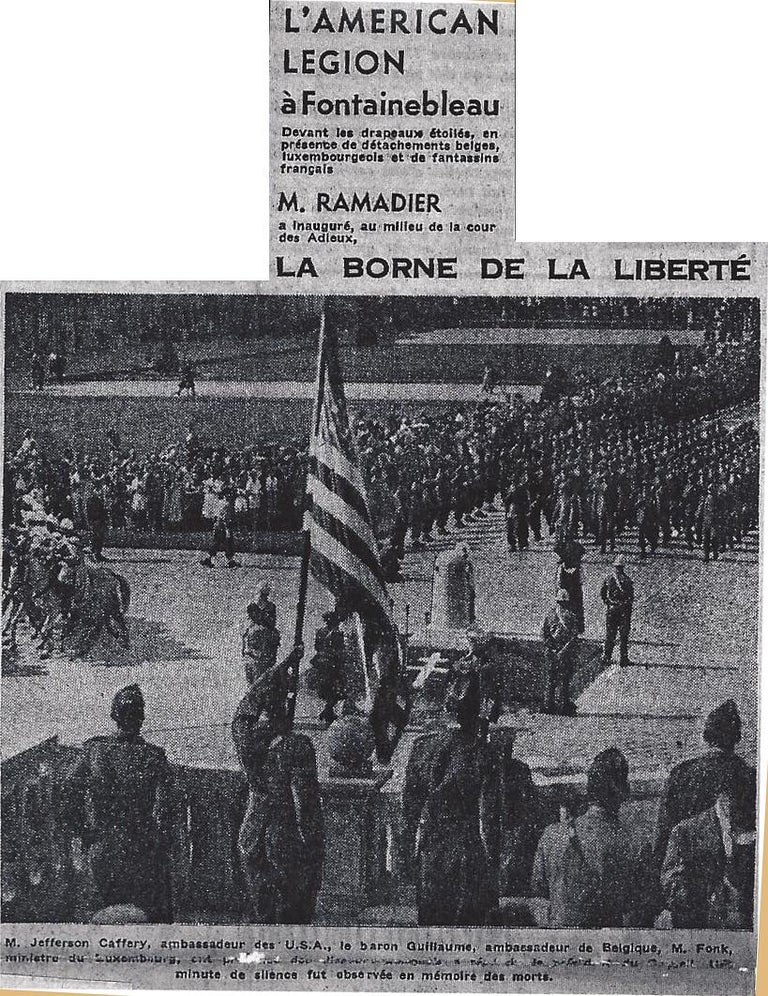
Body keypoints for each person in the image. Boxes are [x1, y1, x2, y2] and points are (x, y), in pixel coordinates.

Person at [61, 684, 174, 922]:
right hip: (143, 848)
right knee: (152, 920)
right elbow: (166, 810)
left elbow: (67, 790)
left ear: (114, 716)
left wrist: (83, 831)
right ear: (142, 718)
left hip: (104, 847)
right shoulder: (154, 756)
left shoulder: (94, 750)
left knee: (100, 916)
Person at [231, 643, 325, 924]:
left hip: (256, 830)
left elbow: (245, 709)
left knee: (262, 913)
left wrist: (282, 665)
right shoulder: (299, 746)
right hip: (289, 836)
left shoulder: (250, 740)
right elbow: (306, 806)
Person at [402, 663, 499, 926]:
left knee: (432, 929)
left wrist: (407, 856)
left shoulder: (422, 747)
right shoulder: (483, 753)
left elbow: (409, 812)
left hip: (431, 850)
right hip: (467, 850)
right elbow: (489, 821)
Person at [530, 748, 638, 927]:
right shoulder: (633, 840)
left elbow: (538, 888)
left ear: (588, 789)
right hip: (607, 945)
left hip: (560, 941)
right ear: (623, 790)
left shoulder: (551, 835)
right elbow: (638, 905)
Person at [653, 699, 753, 870]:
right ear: (737, 737)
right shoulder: (748, 776)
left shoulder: (681, 773)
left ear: (706, 736)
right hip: (731, 875)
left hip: (687, 874)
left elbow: (662, 835)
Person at [660, 765, 756, 928]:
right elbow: (671, 888)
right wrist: (709, 894)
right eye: (743, 799)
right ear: (724, 796)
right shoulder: (685, 832)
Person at [541, 589, 581, 715]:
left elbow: (543, 634)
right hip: (565, 653)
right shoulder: (571, 617)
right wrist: (563, 651)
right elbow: (574, 637)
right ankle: (564, 706)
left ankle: (549, 706)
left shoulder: (549, 615)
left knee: (550, 679)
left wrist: (551, 648)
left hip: (551, 652)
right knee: (564, 680)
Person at [308, 610, 348, 725]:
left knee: (329, 689)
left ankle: (327, 712)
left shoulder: (321, 631)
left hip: (322, 664)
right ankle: (327, 712)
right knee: (336, 690)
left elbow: (316, 647)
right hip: (333, 665)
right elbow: (340, 651)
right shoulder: (337, 633)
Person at [600, 555, 634, 667]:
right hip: (623, 610)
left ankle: (606, 656)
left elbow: (602, 593)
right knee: (623, 636)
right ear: (623, 567)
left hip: (612, 609)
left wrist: (608, 602)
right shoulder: (628, 580)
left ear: (615, 566)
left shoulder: (608, 578)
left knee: (610, 634)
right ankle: (623, 659)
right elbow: (630, 598)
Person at [242, 601, 281, 686]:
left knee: (258, 682)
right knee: (256, 683)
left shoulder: (265, 630)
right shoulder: (255, 629)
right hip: (255, 661)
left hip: (258, 662)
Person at [201, 503, 241, 567]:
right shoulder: (227, 506)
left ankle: (209, 559)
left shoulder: (219, 504)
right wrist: (227, 530)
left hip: (219, 527)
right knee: (227, 544)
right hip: (222, 528)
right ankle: (230, 561)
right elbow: (224, 518)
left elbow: (217, 517)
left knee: (217, 544)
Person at [85, 482, 109, 562]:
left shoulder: (99, 500)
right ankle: (95, 554)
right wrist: (92, 522)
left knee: (100, 538)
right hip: (95, 521)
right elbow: (89, 513)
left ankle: (98, 554)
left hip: (100, 521)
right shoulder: (91, 501)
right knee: (96, 537)